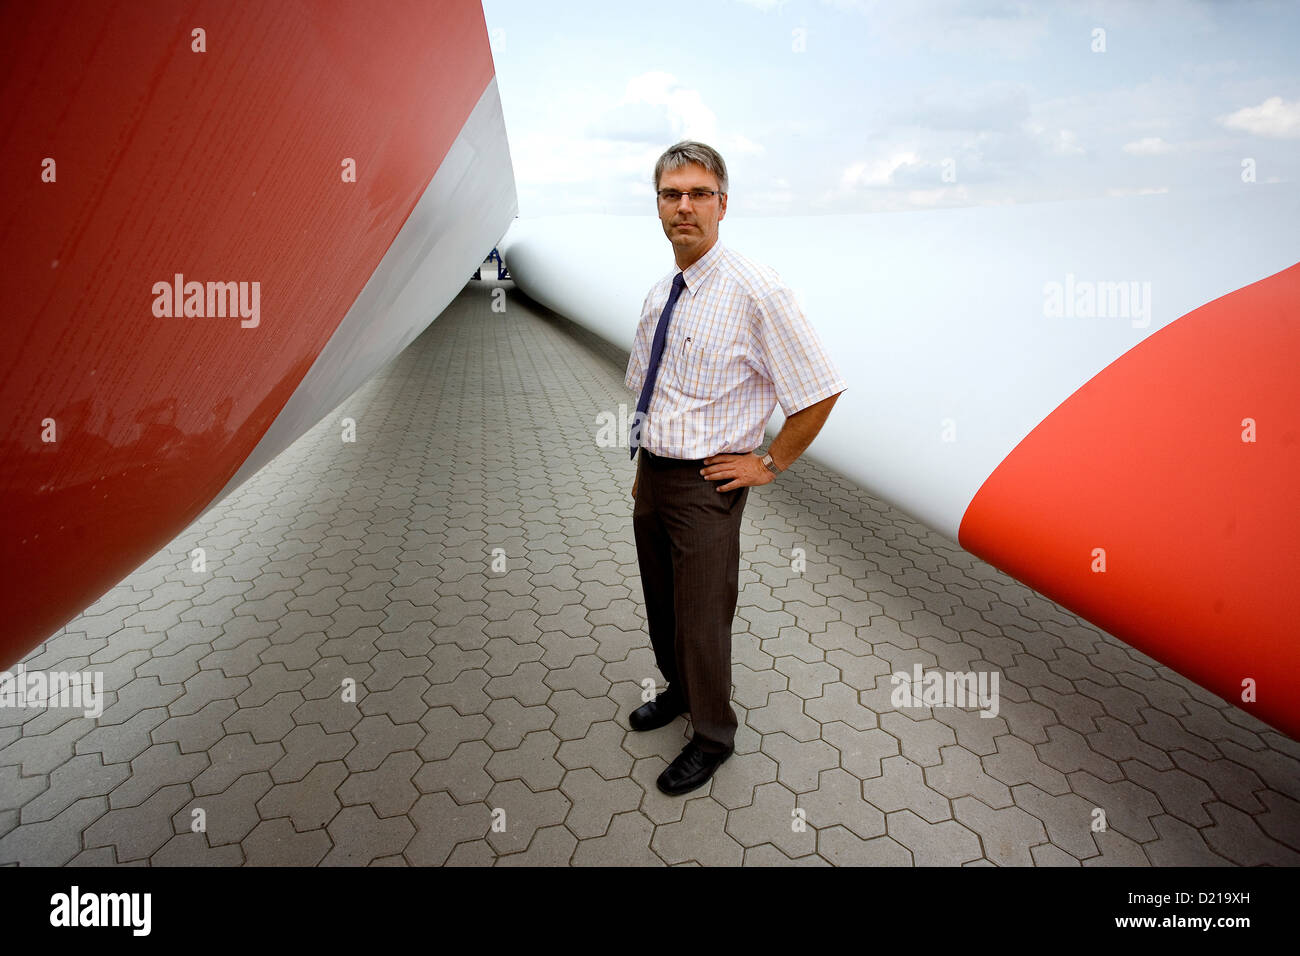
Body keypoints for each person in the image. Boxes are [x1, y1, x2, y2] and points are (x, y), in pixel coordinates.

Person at [626, 140, 847, 795]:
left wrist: (769, 463)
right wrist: (643, 468)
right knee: (662, 608)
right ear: (659, 206)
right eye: (672, 194)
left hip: (707, 486)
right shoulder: (662, 291)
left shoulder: (756, 289)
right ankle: (678, 691)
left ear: (724, 203)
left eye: (699, 193)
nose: (684, 207)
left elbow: (820, 387)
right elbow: (651, 386)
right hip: (655, 476)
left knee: (701, 619)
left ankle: (714, 735)